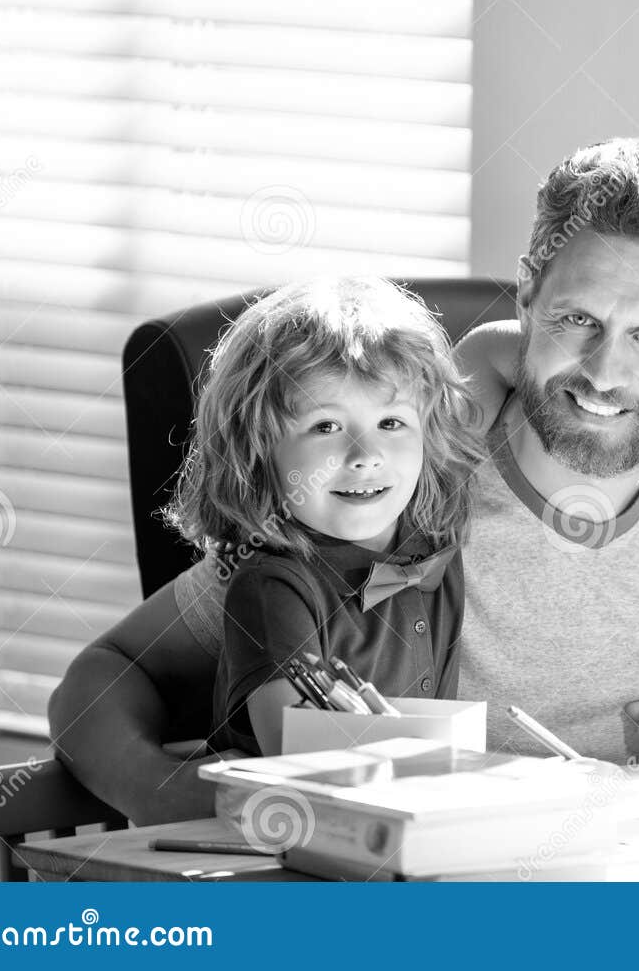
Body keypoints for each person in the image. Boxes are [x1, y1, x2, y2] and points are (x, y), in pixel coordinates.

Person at [49, 138, 639, 823]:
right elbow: (101, 683)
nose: (604, 373)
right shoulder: (400, 482)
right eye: (577, 318)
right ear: (527, 300)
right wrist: (165, 800)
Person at [163, 277, 482, 755]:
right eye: (325, 426)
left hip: (414, 814)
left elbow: (507, 356)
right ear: (256, 452)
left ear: (429, 438)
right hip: (295, 823)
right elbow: (301, 755)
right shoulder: (274, 587)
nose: (365, 454)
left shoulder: (431, 541)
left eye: (391, 422)